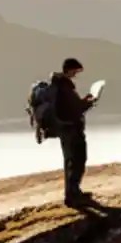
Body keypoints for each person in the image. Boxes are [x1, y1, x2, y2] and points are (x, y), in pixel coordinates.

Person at [49, 58, 95, 205]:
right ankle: (73, 195)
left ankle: (73, 192)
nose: (76, 74)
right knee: (77, 160)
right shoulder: (64, 87)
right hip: (71, 129)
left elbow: (71, 106)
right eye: (75, 71)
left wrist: (83, 101)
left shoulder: (59, 86)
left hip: (65, 129)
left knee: (70, 161)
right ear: (69, 69)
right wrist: (88, 104)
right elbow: (74, 109)